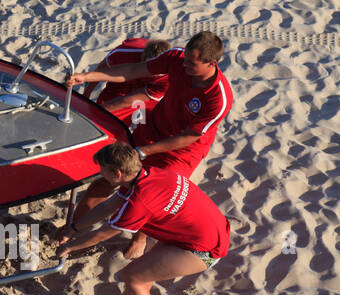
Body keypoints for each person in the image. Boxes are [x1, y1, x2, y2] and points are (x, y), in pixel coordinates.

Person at [65, 31, 233, 245]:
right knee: (110, 177)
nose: (185, 66)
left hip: (182, 150)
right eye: (186, 59)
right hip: (152, 129)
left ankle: (140, 238)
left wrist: (143, 151)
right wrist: (88, 77)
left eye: (192, 64)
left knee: (150, 197)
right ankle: (73, 229)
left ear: (212, 63)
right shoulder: (177, 58)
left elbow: (189, 137)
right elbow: (134, 70)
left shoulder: (218, 97)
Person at [56, 142, 230, 295]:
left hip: (205, 249)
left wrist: (68, 247)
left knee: (133, 276)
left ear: (117, 174)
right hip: (204, 231)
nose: (100, 173)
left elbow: (103, 234)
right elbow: (107, 207)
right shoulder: (150, 173)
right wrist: (73, 229)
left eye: (102, 170)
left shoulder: (139, 201)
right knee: (144, 270)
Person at [90, 37, 171, 123]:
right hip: (123, 81)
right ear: (143, 58)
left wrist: (99, 111)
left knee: (142, 122)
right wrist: (86, 94)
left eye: (157, 71)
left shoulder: (169, 76)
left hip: (149, 90)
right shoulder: (124, 53)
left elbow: (129, 100)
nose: (151, 73)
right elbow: (99, 72)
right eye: (150, 67)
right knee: (100, 116)